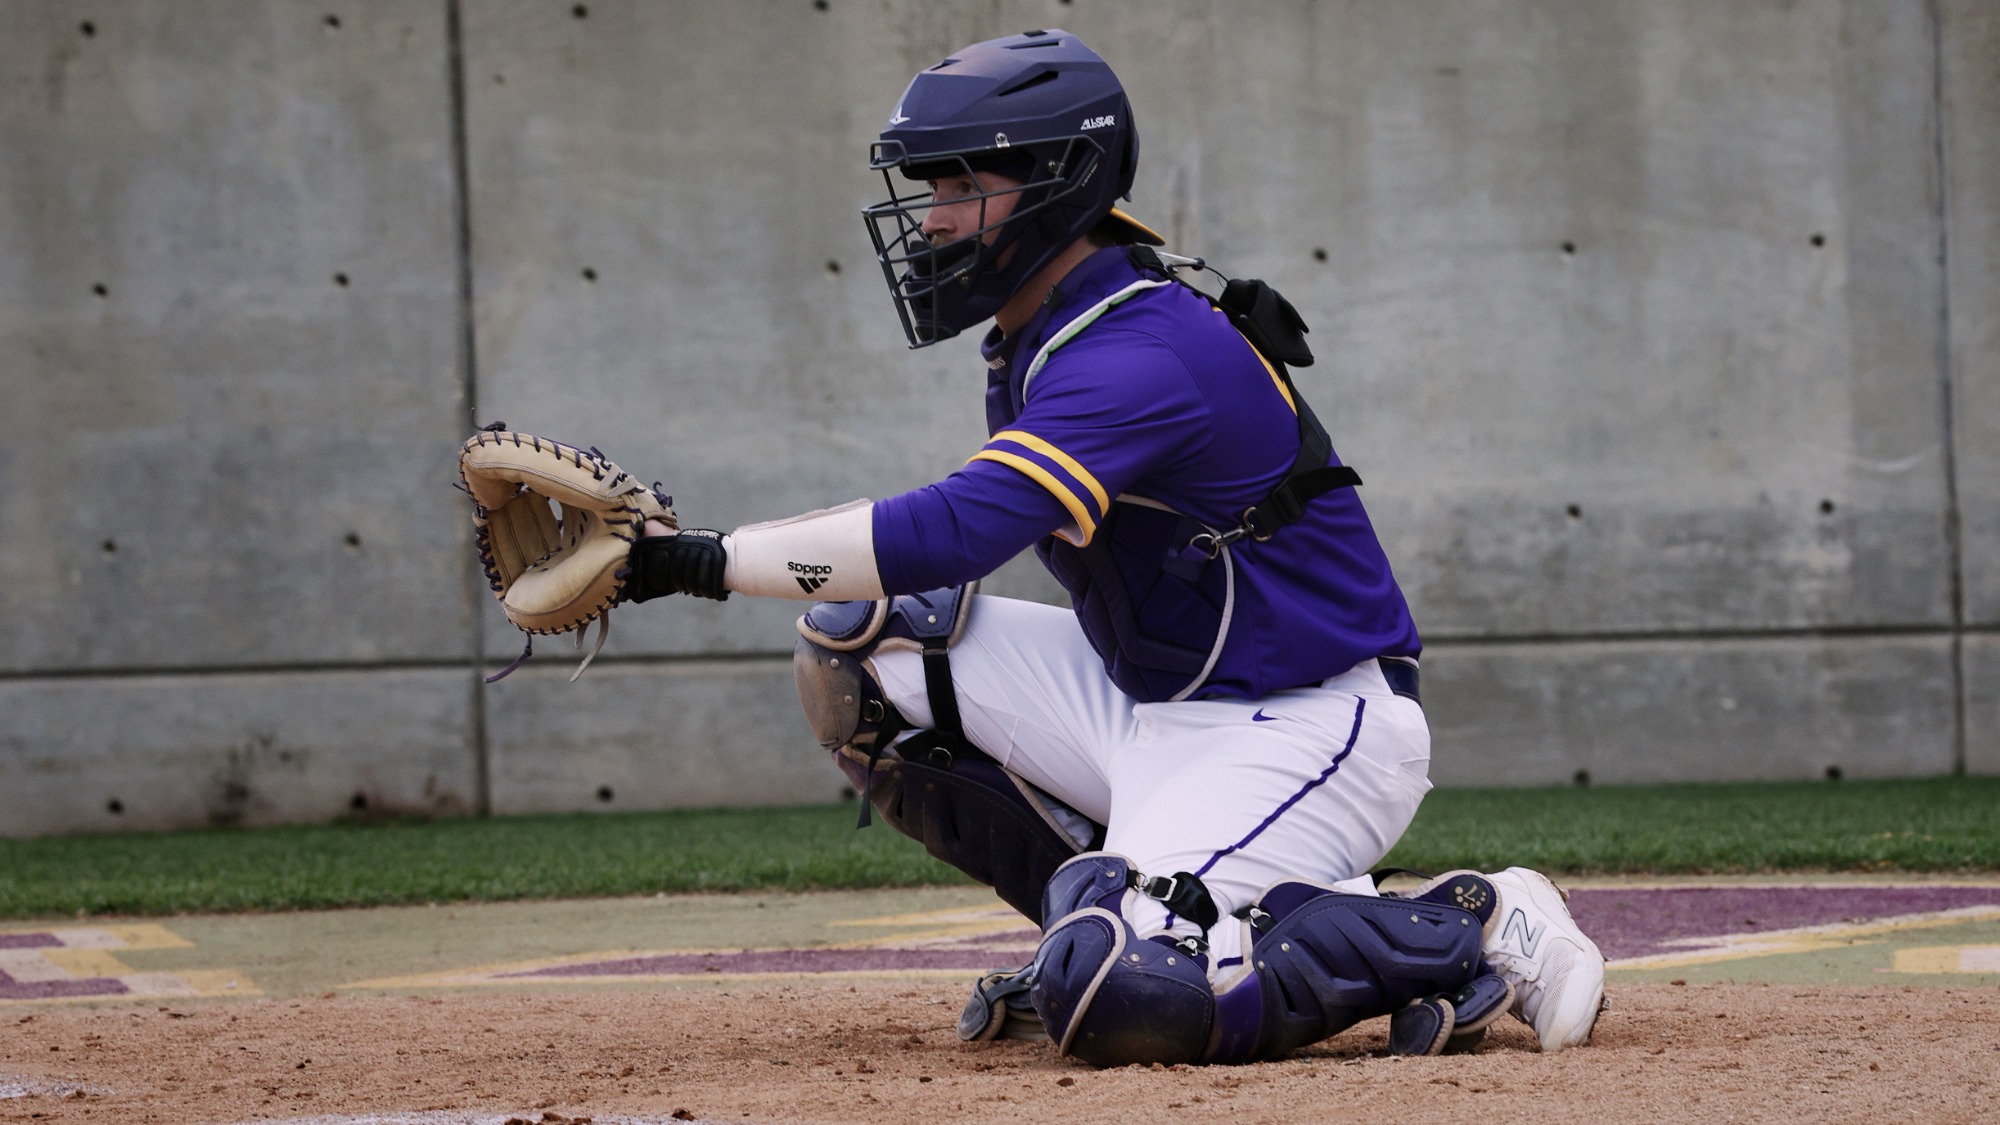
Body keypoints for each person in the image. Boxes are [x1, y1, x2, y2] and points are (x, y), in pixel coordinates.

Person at [626, 28, 1604, 1065]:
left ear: (1059, 182)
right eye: (932, 187)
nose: (935, 217)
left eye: (964, 184)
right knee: (867, 648)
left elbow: (959, 529)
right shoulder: (1053, 321)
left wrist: (690, 559)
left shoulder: (1139, 350)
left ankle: (1469, 925)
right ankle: (1135, 924)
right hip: (1157, 704)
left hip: (1305, 727)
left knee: (1119, 995)